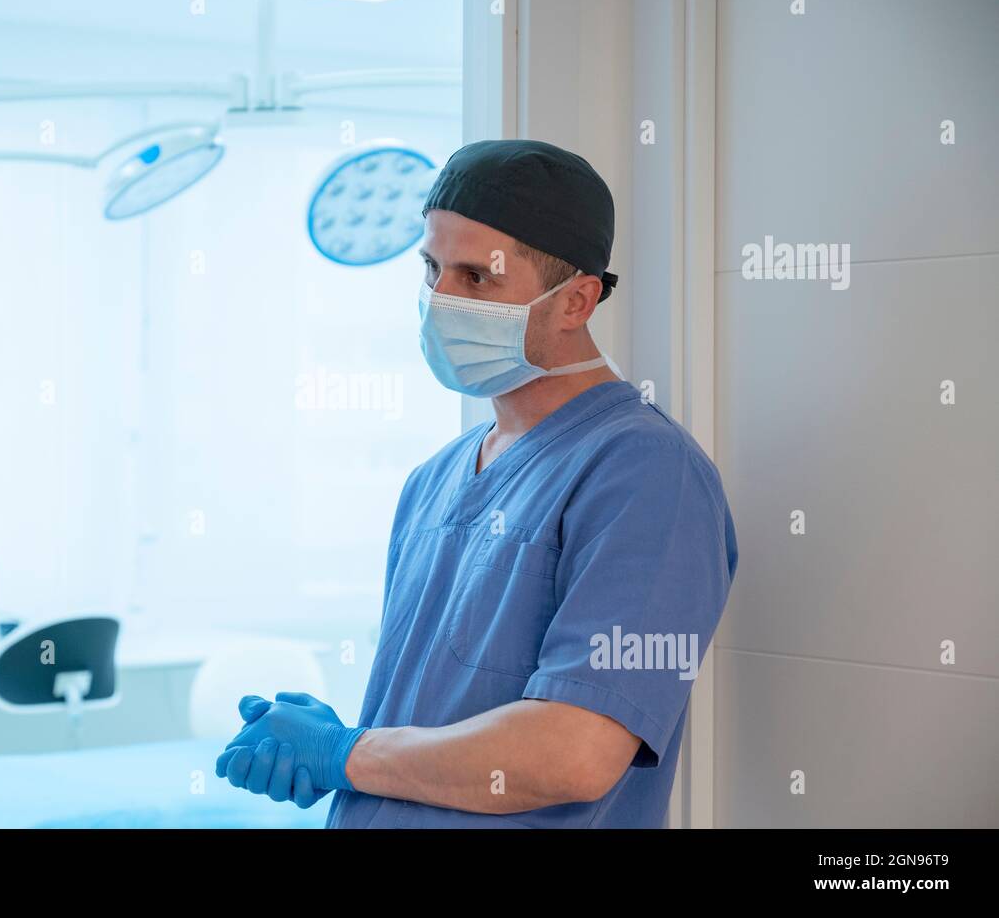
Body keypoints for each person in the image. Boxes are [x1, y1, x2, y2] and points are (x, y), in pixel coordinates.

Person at [216, 139, 738, 827]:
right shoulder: (432, 480)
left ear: (576, 300)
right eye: (431, 268)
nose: (439, 299)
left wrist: (345, 753)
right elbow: (444, 718)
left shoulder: (645, 474)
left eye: (475, 278)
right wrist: (342, 744)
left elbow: (574, 753)